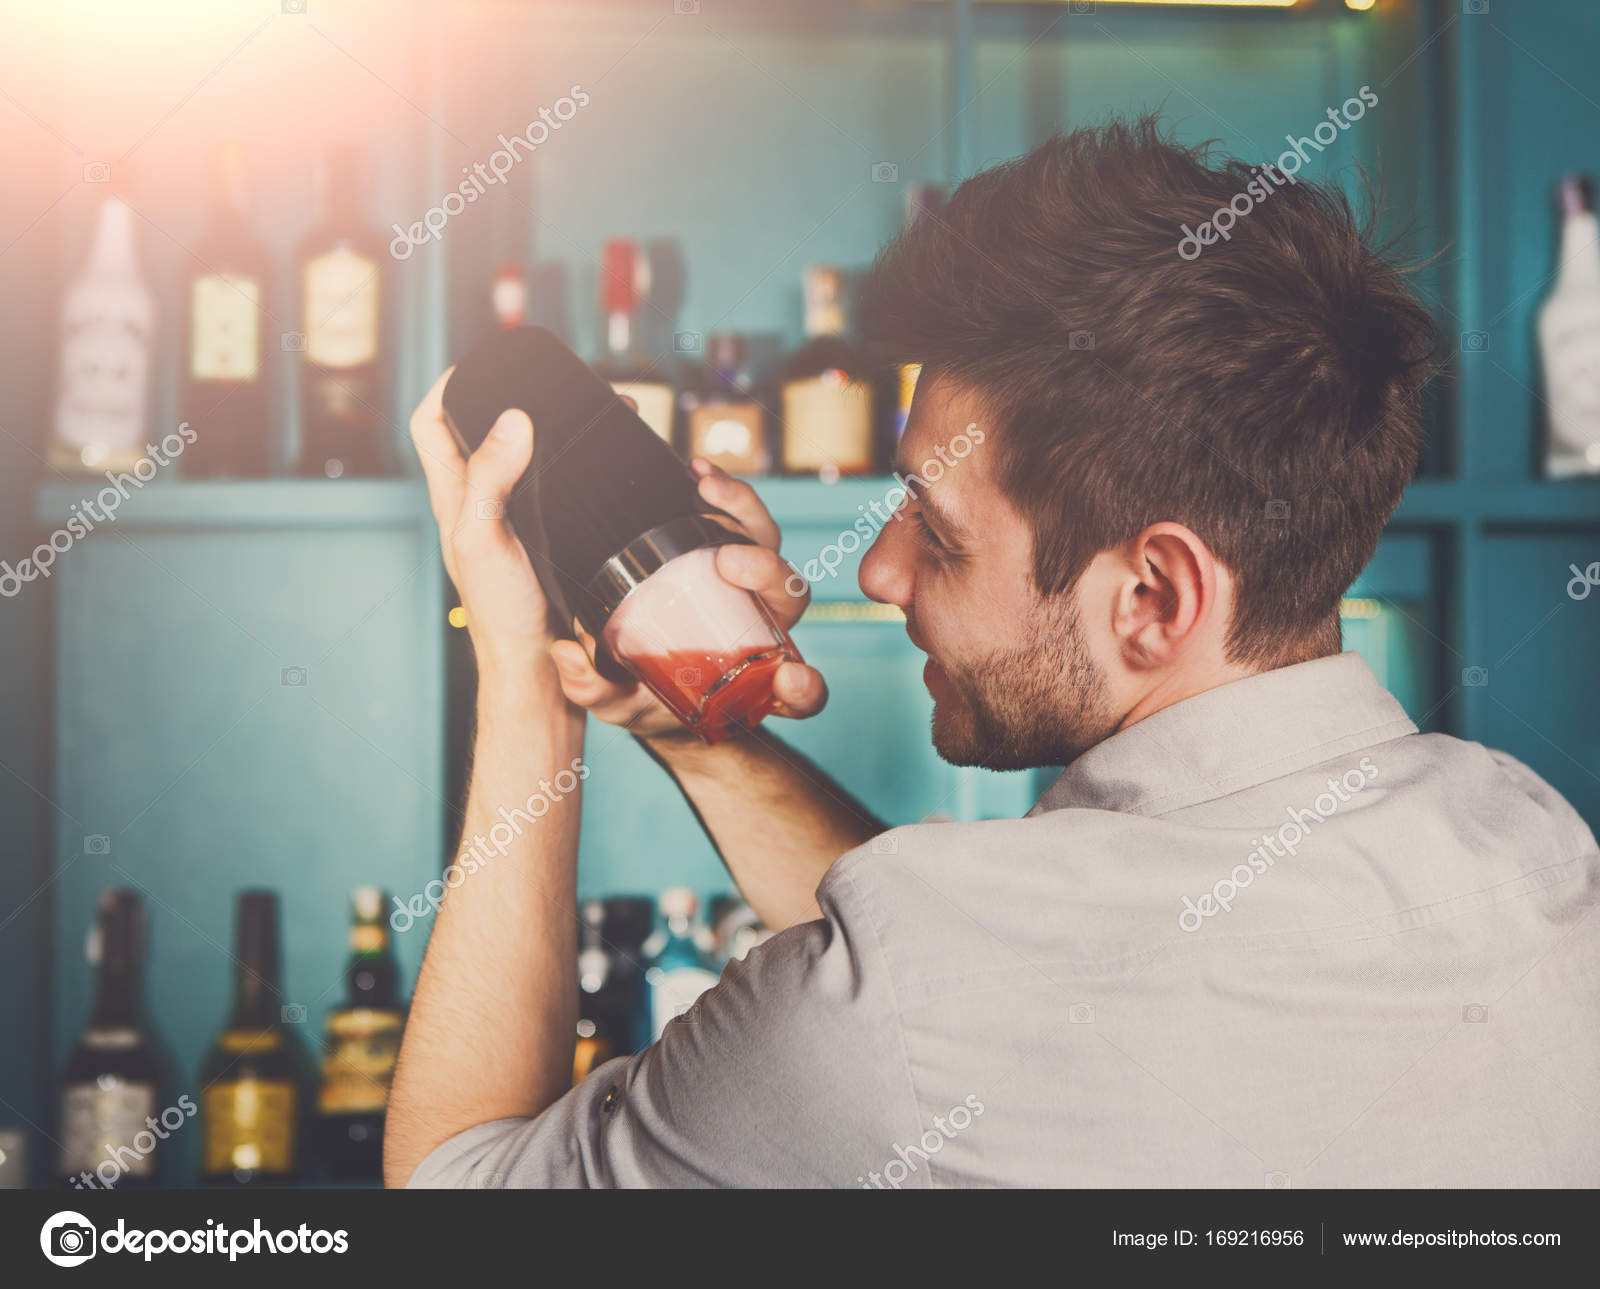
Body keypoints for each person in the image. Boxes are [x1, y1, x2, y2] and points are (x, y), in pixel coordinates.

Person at [385, 117, 1600, 1188]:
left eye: (937, 529)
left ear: (1154, 594)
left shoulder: (918, 997)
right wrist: (702, 735)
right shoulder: (1530, 840)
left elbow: (456, 1194)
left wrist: (521, 669)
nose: (879, 570)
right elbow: (980, 994)